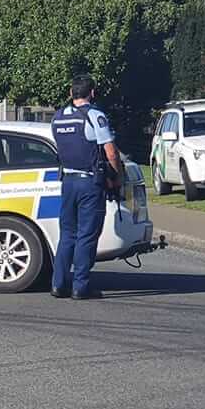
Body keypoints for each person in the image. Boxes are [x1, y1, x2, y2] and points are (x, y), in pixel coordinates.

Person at [50, 76, 124, 300]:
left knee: (67, 234)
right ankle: (80, 286)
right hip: (89, 182)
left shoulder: (58, 117)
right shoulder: (94, 116)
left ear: (71, 93)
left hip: (68, 182)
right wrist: (116, 176)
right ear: (92, 93)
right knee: (87, 235)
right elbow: (110, 152)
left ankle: (58, 284)